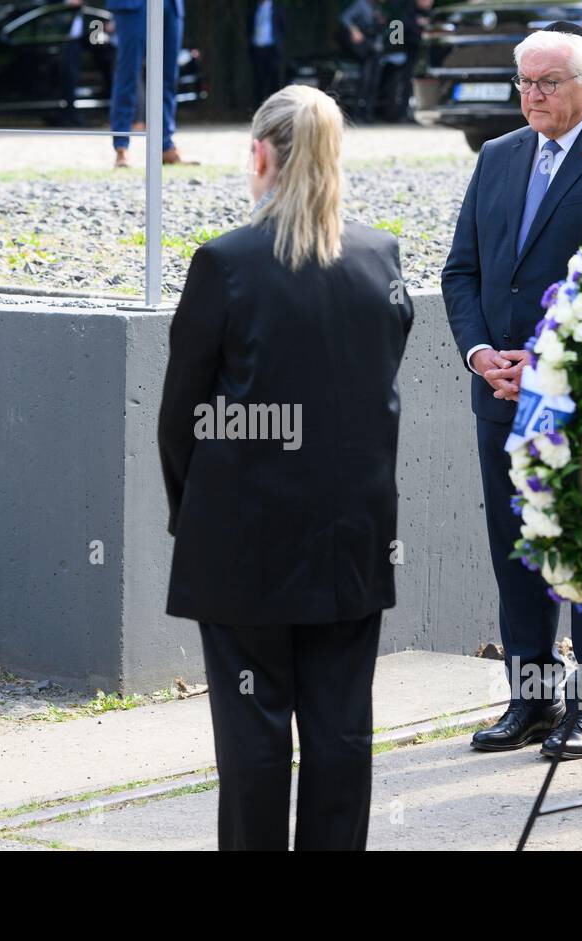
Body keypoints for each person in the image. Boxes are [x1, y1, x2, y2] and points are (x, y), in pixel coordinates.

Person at [158, 84, 415, 850]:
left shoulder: (226, 262)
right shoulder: (380, 258)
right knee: (341, 727)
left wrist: (190, 511)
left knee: (253, 729)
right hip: (351, 532)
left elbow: (182, 414)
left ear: (262, 154)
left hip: (245, 537)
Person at [441, 28, 582, 759]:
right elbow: (462, 272)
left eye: (548, 83)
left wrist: (546, 358)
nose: (531, 95)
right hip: (499, 394)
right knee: (518, 551)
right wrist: (480, 355)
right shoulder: (498, 157)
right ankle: (529, 697)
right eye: (523, 83)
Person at [106, 0, 193, 168]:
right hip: (134, 5)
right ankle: (121, 147)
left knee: (168, 77)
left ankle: (165, 145)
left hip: (170, 4)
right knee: (127, 75)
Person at [338, 0, 385, 123]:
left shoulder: (377, 7)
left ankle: (368, 114)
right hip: (365, 49)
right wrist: (354, 30)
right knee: (364, 81)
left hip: (376, 49)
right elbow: (344, 17)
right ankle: (357, 113)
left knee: (374, 82)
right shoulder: (361, 4)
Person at [247, 0, 284, 111]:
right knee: (258, 81)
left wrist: (279, 44)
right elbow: (249, 27)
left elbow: (282, 27)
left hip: (272, 49)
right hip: (257, 49)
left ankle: (275, 109)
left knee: (273, 81)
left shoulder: (277, 8)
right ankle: (258, 110)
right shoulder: (253, 9)